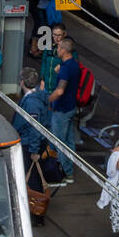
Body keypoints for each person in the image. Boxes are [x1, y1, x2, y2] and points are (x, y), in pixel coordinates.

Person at [47, 37, 80, 181]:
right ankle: (70, 170)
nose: (57, 49)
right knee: (69, 141)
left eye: (59, 47)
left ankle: (66, 172)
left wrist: (46, 101)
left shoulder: (66, 69)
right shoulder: (74, 65)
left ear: (64, 51)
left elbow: (60, 91)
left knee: (59, 142)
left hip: (61, 110)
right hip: (71, 107)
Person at [40, 21, 67, 93]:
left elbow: (73, 67)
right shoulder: (48, 47)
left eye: (59, 35)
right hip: (46, 88)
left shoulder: (69, 50)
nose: (56, 38)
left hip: (59, 89)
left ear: (64, 34)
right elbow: (44, 63)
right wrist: (42, 80)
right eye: (54, 35)